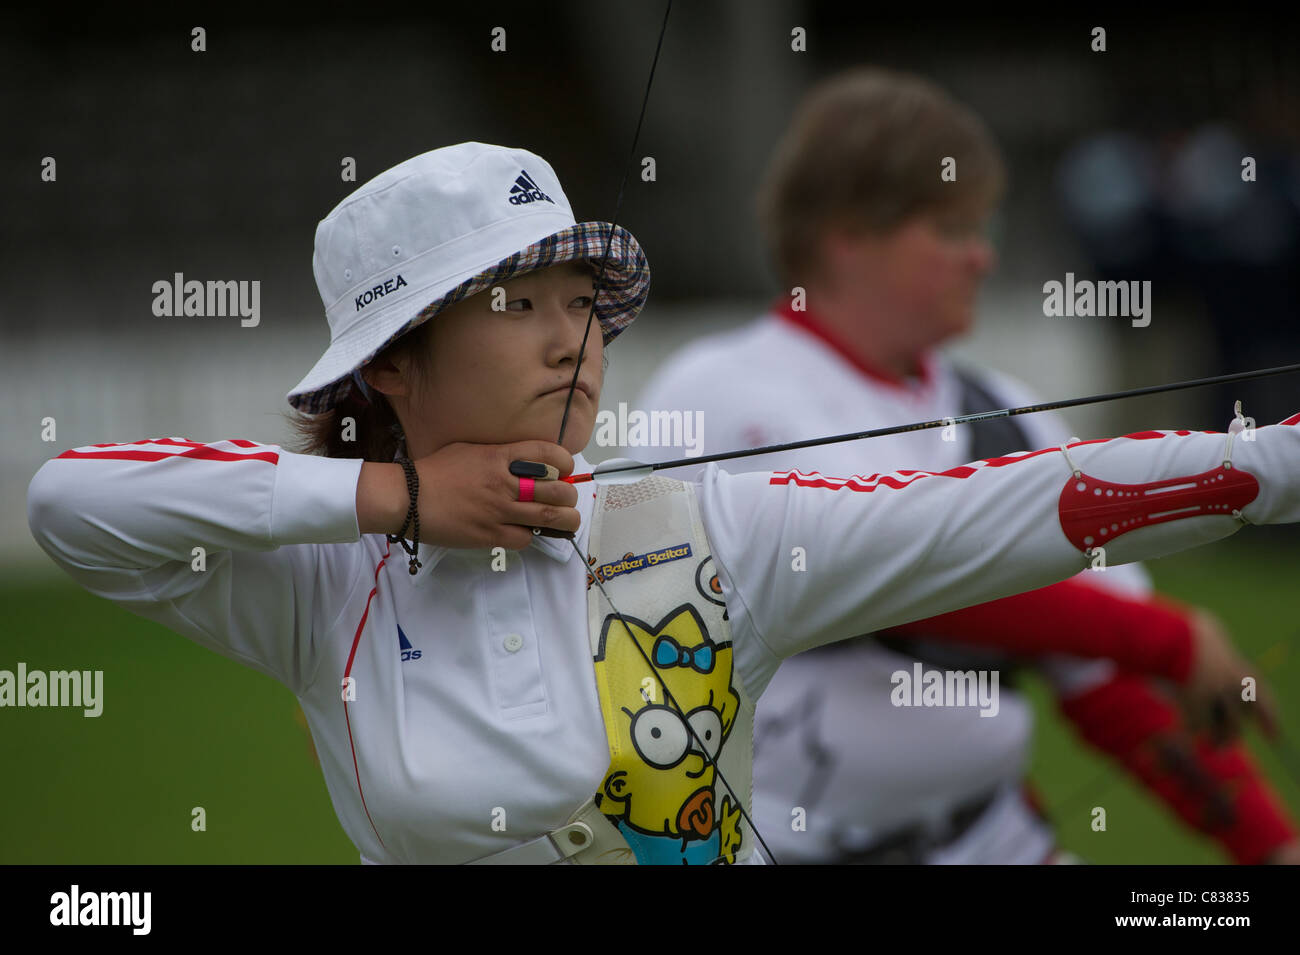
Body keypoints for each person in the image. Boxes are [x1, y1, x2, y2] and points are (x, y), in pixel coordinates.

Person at [26, 140, 1300, 866]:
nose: (572, 338)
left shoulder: (707, 534)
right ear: (394, 365)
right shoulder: (317, 583)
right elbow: (71, 501)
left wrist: (1281, 462)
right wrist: (394, 497)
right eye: (517, 306)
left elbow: (1018, 506)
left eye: (585, 304)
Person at [636, 69, 1300, 864]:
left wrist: (1268, 843)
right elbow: (915, 581)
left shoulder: (999, 404)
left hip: (989, 836)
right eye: (951, 229)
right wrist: (1169, 635)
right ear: (847, 234)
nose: (983, 258)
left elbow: (1103, 678)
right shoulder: (722, 389)